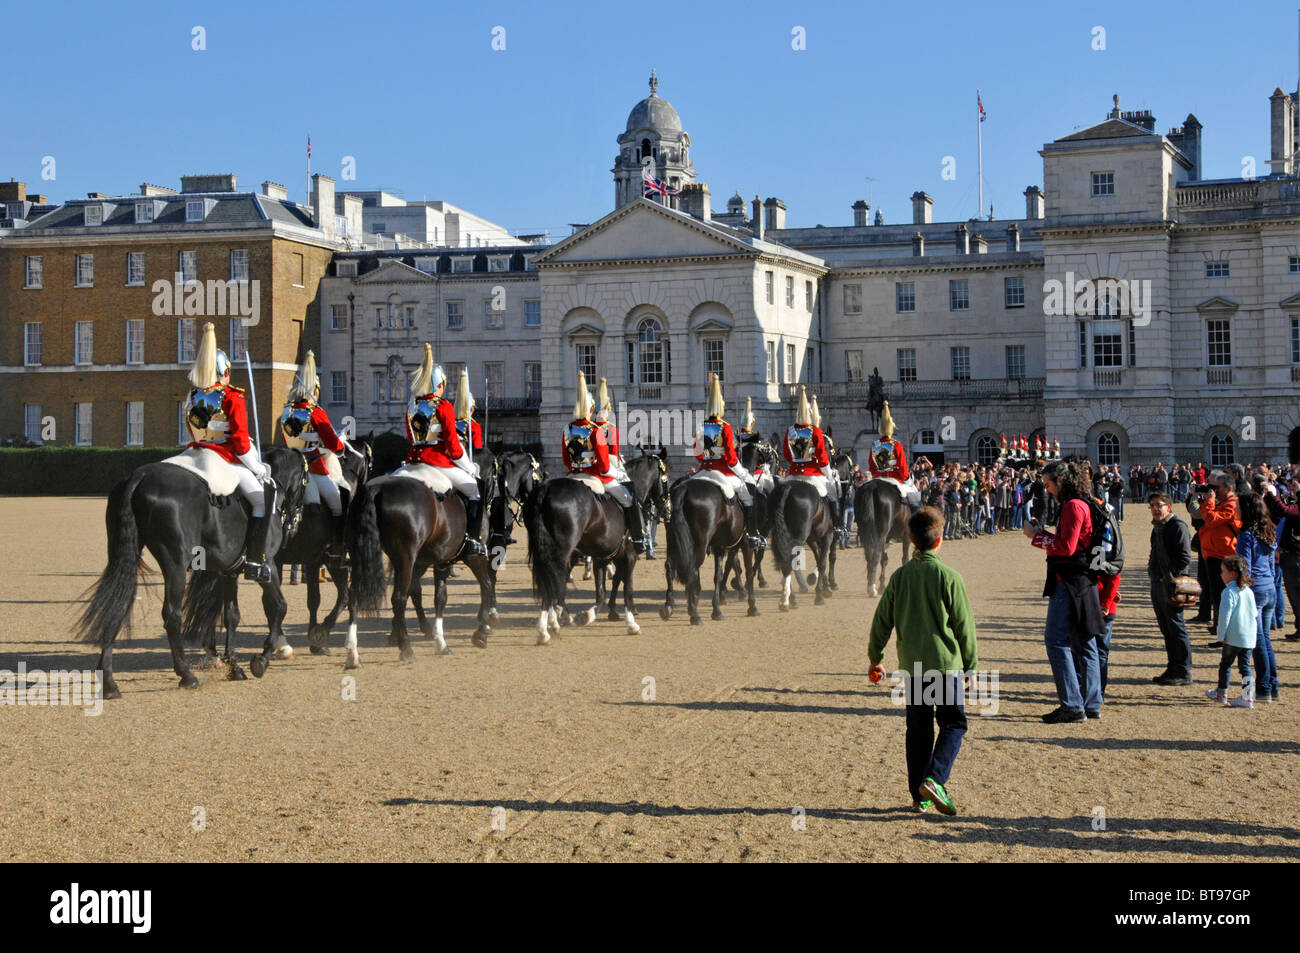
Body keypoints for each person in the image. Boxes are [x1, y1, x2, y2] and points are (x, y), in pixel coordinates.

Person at [867, 507, 977, 815]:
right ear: (941, 539)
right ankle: (935, 778)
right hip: (946, 666)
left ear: (911, 538)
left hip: (913, 667)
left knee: (918, 730)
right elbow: (963, 626)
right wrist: (972, 666)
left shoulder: (900, 576)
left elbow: (881, 621)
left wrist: (875, 657)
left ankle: (920, 796)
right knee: (953, 723)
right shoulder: (949, 577)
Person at [183, 321, 276, 582]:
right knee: (261, 500)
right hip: (225, 459)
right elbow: (240, 442)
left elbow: (191, 430)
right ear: (224, 372)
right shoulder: (231, 396)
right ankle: (255, 560)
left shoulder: (192, 396)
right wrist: (258, 468)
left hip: (195, 453)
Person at [1023, 460, 1104, 722]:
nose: (1047, 491)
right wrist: (1043, 532)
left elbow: (1067, 547)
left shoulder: (1072, 506)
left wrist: (1035, 537)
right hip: (1083, 580)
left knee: (1056, 641)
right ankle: (1091, 703)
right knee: (1085, 642)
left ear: (1060, 481)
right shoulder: (1084, 502)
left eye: (1048, 484)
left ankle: (1072, 705)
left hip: (1069, 581)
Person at [404, 347, 486, 557]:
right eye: (443, 385)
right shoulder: (443, 406)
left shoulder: (411, 406)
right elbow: (453, 446)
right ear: (439, 384)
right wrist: (470, 467)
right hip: (438, 462)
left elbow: (411, 438)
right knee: (474, 491)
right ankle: (472, 541)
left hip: (413, 461)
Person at [279, 350, 351, 562]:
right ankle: (338, 547)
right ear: (314, 390)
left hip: (289, 466)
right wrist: (337, 447)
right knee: (338, 502)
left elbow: (287, 440)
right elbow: (334, 444)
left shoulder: (287, 411)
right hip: (313, 468)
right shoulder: (316, 413)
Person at [563, 372, 647, 554]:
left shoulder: (567, 429)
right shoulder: (597, 430)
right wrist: (617, 473)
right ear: (591, 408)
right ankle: (639, 538)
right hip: (596, 476)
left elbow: (565, 459)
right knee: (629, 499)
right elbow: (603, 464)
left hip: (572, 475)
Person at [692, 375, 762, 548]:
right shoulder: (725, 427)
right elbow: (731, 459)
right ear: (720, 406)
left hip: (703, 471)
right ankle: (752, 534)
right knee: (747, 496)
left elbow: (698, 454)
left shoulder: (701, 427)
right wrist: (744, 473)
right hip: (724, 473)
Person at [1146, 492, 1193, 685]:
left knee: (1176, 627)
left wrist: (1169, 577)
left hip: (1172, 584)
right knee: (1167, 628)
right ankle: (1173, 667)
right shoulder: (1157, 528)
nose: (1156, 509)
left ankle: (1183, 671)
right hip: (1158, 583)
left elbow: (1184, 558)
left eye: (1159, 505)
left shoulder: (1177, 526)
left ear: (1169, 507)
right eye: (1153, 505)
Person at [1236, 492, 1278, 703]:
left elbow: (1246, 568)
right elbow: (1271, 564)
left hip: (1256, 590)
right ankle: (1273, 686)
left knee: (1258, 642)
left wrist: (1242, 592)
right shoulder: (1268, 529)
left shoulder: (1247, 534)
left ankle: (1264, 688)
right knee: (1266, 642)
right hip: (1270, 587)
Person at [1207, 555, 1257, 708]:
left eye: (1223, 571)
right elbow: (1254, 613)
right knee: (1245, 666)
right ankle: (1248, 697)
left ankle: (1221, 693)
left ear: (1233, 574)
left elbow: (1224, 616)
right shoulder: (1248, 591)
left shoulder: (1229, 592)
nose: (1221, 575)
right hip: (1248, 637)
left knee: (1226, 665)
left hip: (1233, 636)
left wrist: (1221, 635)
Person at [1198, 471, 1241, 643]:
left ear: (1229, 488)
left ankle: (1223, 630)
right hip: (1213, 552)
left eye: (1217, 487)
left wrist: (1209, 500)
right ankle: (1218, 626)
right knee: (1216, 594)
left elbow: (1210, 519)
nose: (1214, 490)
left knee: (1221, 594)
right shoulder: (1223, 502)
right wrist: (1204, 500)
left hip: (1224, 554)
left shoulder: (1232, 504)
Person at [1262, 474, 1300, 642]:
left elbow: (1286, 511)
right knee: (1294, 595)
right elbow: (1281, 510)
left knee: (1296, 594)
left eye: (1294, 482)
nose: (1291, 485)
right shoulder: (1294, 501)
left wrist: (1270, 494)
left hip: (1296, 556)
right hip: (1290, 554)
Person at [867, 402, 922, 509]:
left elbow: (871, 466)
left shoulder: (875, 445)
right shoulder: (896, 445)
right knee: (915, 499)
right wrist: (908, 480)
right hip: (896, 480)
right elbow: (902, 467)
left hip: (878, 479)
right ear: (891, 428)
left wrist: (877, 475)